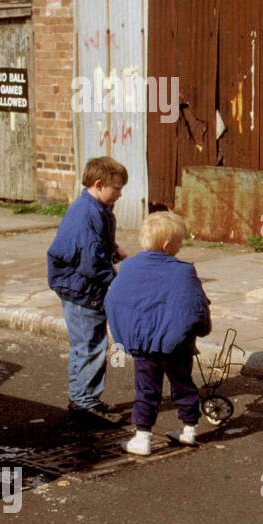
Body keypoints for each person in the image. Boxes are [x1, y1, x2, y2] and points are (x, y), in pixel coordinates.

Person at [104, 212, 212, 456]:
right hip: (178, 345)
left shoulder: (129, 266)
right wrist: (203, 328)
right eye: (180, 241)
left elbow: (114, 300)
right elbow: (196, 305)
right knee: (184, 385)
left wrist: (124, 336)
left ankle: (142, 438)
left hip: (144, 346)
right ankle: (188, 430)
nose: (182, 246)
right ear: (167, 245)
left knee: (146, 390)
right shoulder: (184, 271)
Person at [46, 156, 127, 426]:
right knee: (90, 345)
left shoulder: (95, 208)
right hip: (81, 289)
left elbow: (99, 244)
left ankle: (83, 396)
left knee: (87, 343)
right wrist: (115, 281)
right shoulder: (87, 213)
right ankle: (84, 404)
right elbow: (89, 259)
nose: (120, 193)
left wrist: (114, 251)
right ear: (99, 184)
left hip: (81, 285)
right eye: (117, 188)